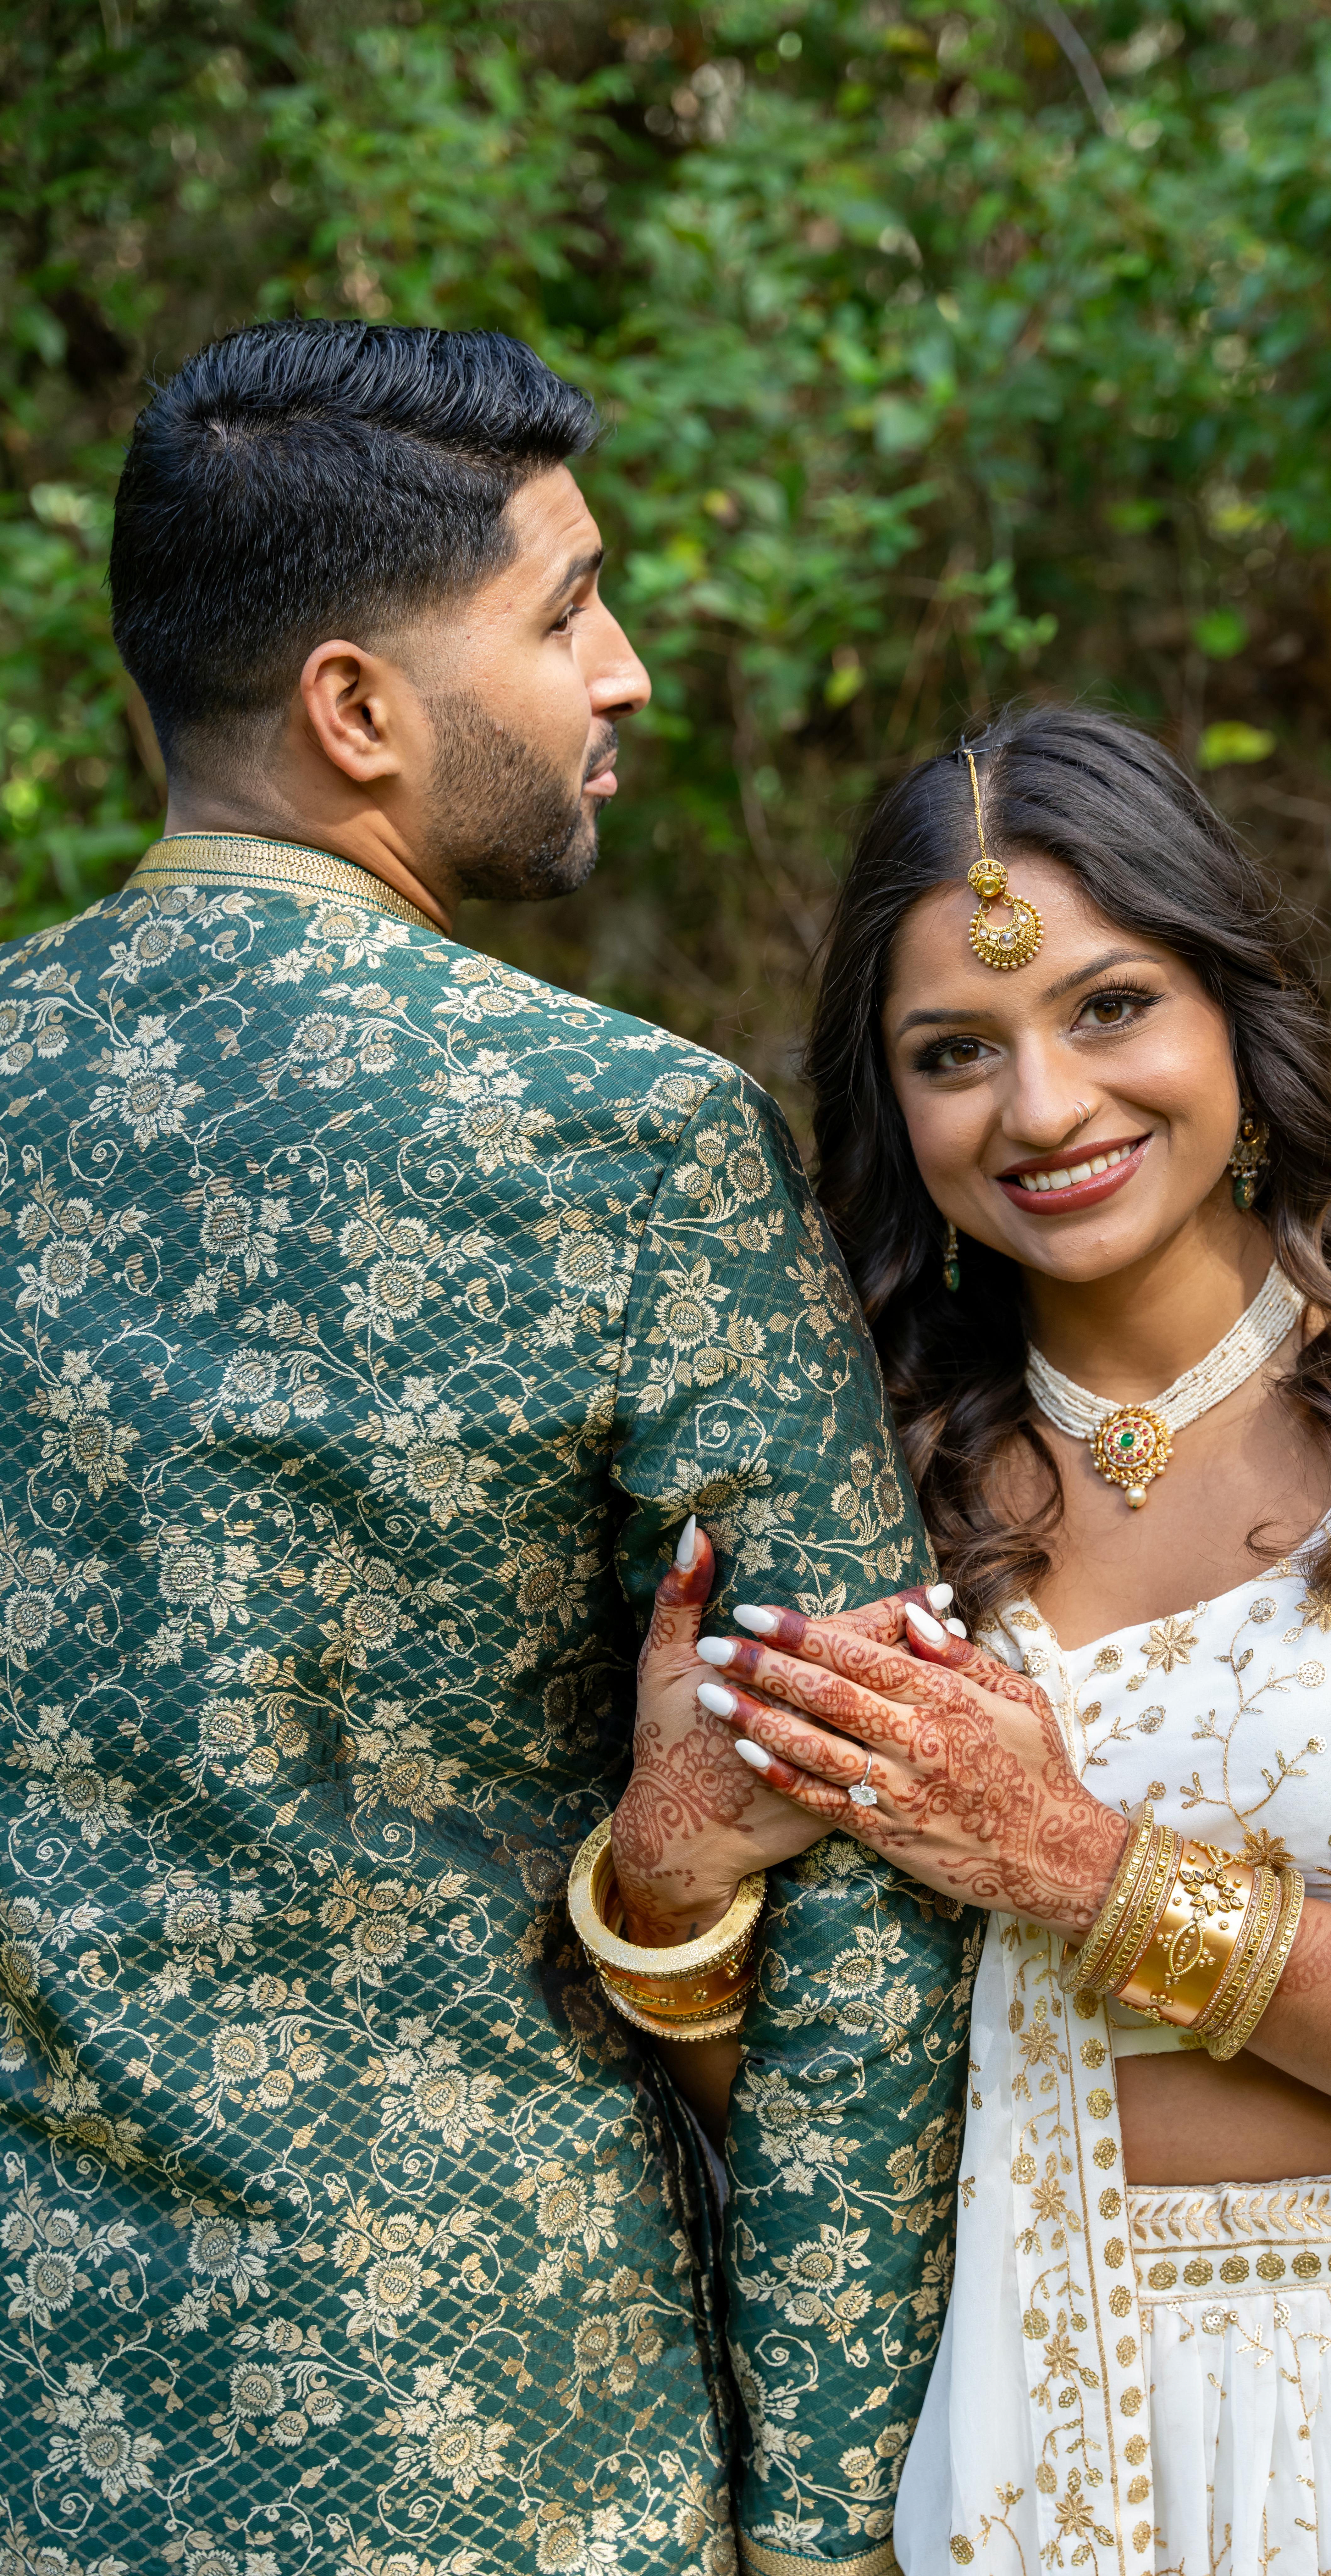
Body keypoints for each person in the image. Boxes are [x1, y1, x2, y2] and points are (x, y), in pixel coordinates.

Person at [0, 318, 972, 2576]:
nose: (621, 671)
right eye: (564, 611)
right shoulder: (624, 1145)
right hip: (499, 2436)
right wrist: (830, 2518)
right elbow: (853, 1857)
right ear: (354, 709)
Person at [642, 704, 1331, 2573]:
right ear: (891, 1109)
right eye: (954, 1052)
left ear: (1235, 1005)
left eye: (1111, 1005)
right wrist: (669, 1886)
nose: (1044, 1108)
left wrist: (1079, 1866)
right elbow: (820, 2101)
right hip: (1032, 2415)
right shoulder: (853, 1500)